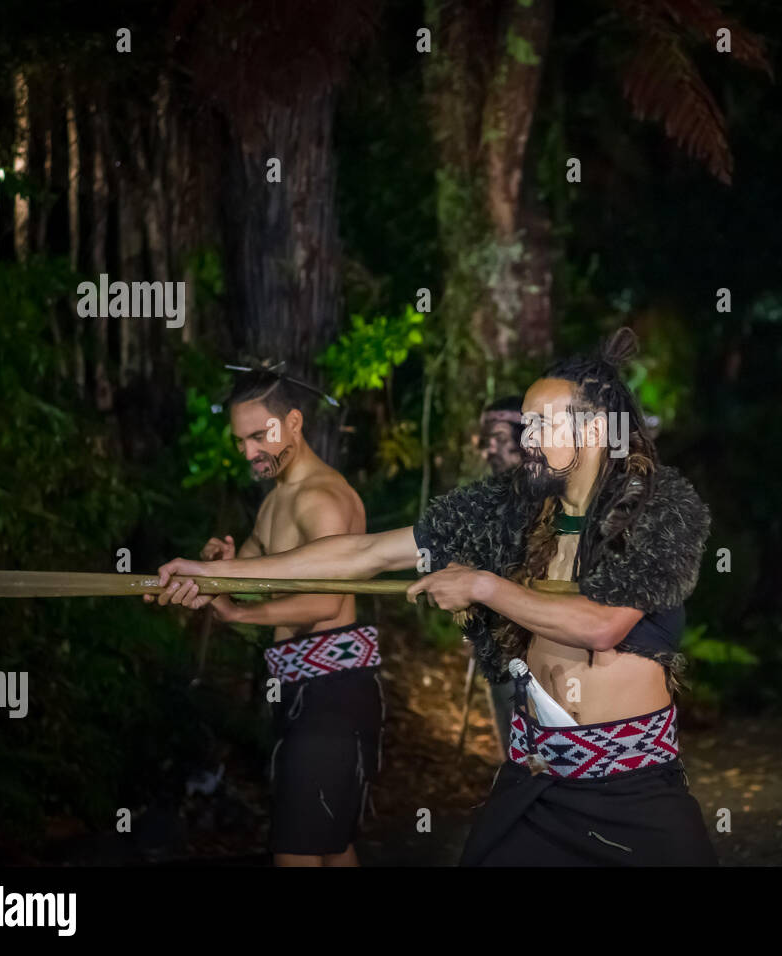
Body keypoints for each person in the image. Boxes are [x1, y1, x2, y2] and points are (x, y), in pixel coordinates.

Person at [155, 329, 717, 865]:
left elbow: (602, 626)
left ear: (595, 431)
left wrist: (482, 585)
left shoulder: (658, 509)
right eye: (526, 424)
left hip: (633, 793)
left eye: (544, 423)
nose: (527, 439)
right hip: (537, 784)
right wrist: (216, 576)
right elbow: (365, 554)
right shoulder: (510, 508)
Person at [151, 367, 379, 867]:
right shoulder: (277, 500)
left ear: (293, 422)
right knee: (331, 846)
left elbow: (325, 603)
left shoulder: (322, 499)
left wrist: (235, 612)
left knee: (295, 851)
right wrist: (222, 565)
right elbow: (251, 568)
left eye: (259, 436)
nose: (249, 452)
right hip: (302, 690)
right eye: (240, 441)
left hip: (332, 694)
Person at [476, 396, 525, 756]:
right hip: (499, 648)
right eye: (484, 439)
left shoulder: (556, 497)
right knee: (515, 756)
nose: (489, 449)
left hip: (548, 651)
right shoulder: (490, 501)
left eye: (498, 437)